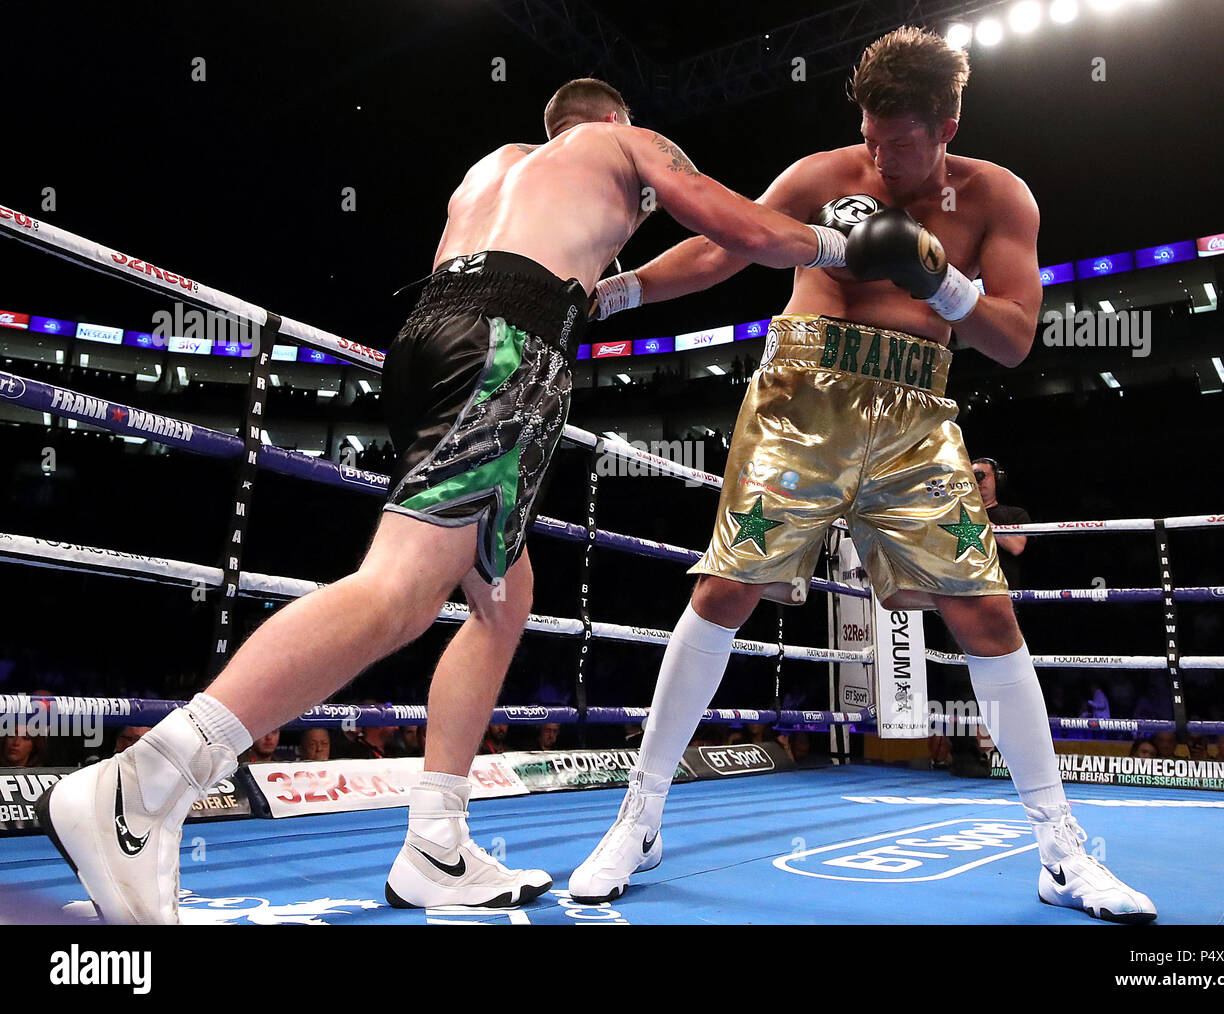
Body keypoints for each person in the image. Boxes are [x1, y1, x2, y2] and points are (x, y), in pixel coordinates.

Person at [36, 76, 850, 924]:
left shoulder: (493, 169)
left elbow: (565, 276)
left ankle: (435, 842)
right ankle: (149, 779)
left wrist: (605, 293)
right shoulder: (625, 143)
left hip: (433, 338)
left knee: (504, 594)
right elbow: (742, 231)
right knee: (401, 589)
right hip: (508, 349)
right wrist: (841, 245)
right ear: (615, 119)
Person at [572, 29, 1156, 923]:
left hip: (916, 414)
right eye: (869, 136)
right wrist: (613, 295)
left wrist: (939, 280)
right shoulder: (821, 174)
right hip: (802, 393)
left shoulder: (998, 196)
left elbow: (1013, 336)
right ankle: (638, 820)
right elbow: (725, 248)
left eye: (900, 143)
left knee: (986, 612)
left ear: (948, 124)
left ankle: (1062, 852)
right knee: (724, 588)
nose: (878, 159)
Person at [972, 457, 1029, 589]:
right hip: (965, 592)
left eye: (982, 475)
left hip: (1003, 591)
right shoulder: (955, 516)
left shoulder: (1015, 514)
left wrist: (983, 522)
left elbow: (1016, 547)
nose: (978, 480)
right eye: (973, 476)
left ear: (997, 479)